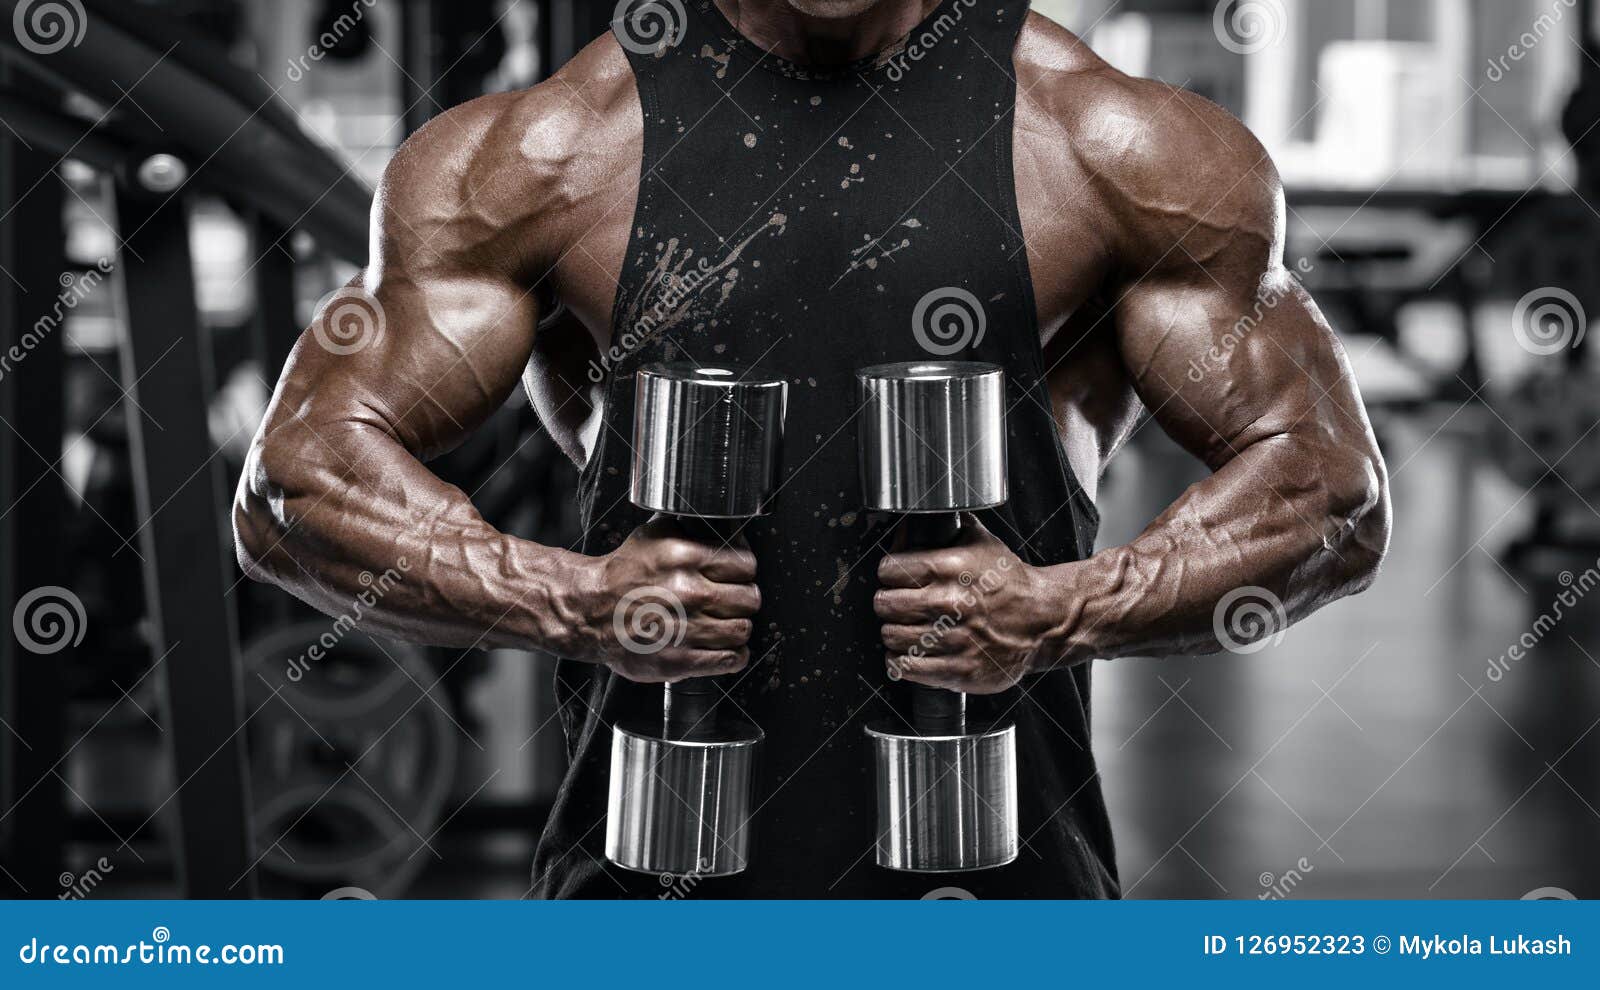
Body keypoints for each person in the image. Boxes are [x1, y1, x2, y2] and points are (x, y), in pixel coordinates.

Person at [235, 0, 1391, 898]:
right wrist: (573, 600)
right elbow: (293, 483)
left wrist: (1060, 611)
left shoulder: (1120, 147)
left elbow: (1328, 491)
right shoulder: (540, 156)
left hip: (999, 886)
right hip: (642, 888)